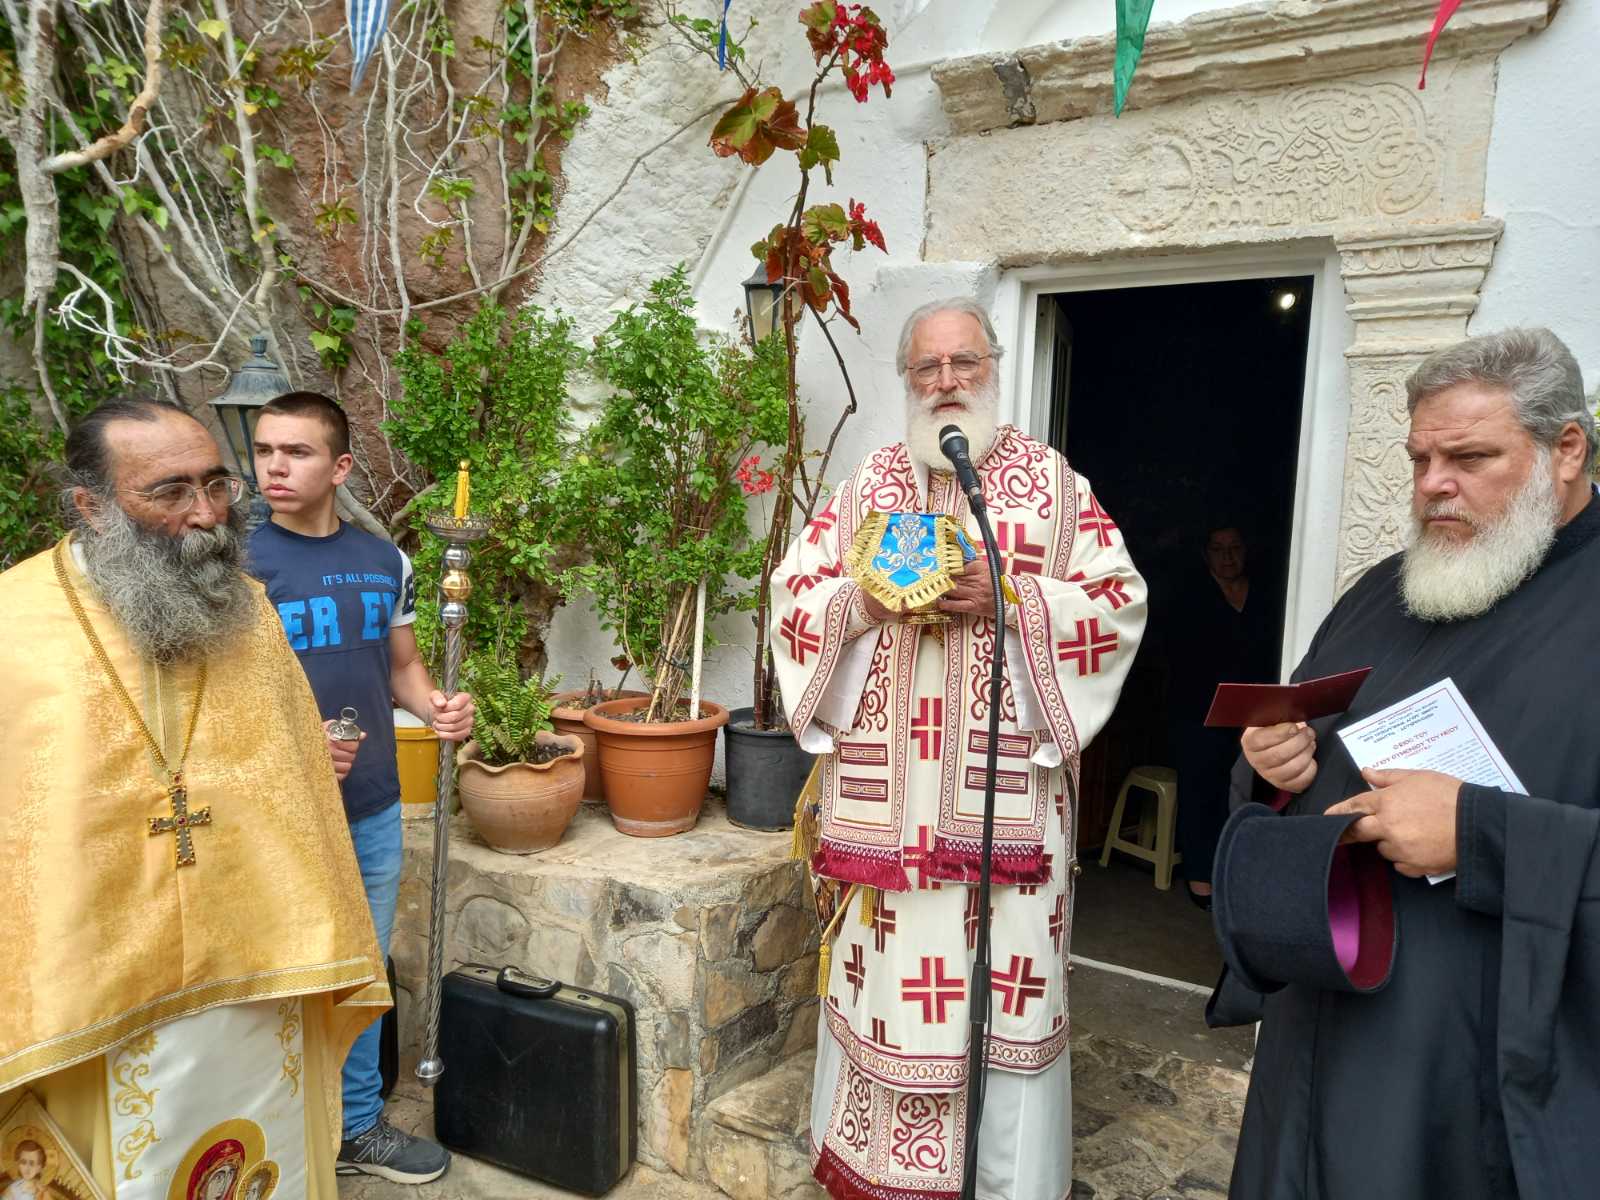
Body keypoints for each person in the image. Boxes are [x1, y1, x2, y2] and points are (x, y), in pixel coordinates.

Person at [772, 298, 1147, 1199]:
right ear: (908, 381)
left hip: (1007, 825)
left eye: (963, 364)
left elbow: (1118, 603)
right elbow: (795, 592)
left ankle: (1002, 1185)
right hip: (889, 827)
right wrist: (864, 605)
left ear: (993, 368)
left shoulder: (1055, 487)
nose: (945, 383)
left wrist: (1012, 599)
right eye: (926, 368)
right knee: (889, 998)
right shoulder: (870, 484)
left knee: (1000, 1012)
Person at [1223, 327, 1600, 1198]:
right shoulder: (1384, 589)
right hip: (1318, 1033)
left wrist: (1481, 833)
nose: (1434, 484)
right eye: (1421, 456)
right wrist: (1274, 763)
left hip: (1468, 1078)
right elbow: (1306, 739)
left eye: (1469, 457)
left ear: (1567, 449)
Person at [0, 397, 386, 1198]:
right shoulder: (14, 626)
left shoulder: (249, 614)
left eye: (217, 485)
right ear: (92, 506)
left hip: (258, 962)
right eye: (170, 492)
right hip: (90, 987)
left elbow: (291, 781)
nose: (206, 515)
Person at [246, 391, 474, 1185]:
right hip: (273, 814)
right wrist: (292, 747)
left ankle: (355, 1128)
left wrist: (437, 708)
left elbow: (404, 667)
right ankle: (273, 1124)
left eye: (297, 452)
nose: (275, 465)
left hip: (372, 803)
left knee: (360, 974)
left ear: (341, 467)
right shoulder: (239, 566)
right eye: (266, 449)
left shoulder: (388, 561)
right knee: (277, 970)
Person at [1165, 524, 1275, 910]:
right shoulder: (1190, 596)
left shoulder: (1267, 594)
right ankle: (1201, 878)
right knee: (1203, 789)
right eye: (1218, 549)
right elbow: (1178, 657)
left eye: (1235, 547)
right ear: (1205, 555)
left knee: (1255, 790)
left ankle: (1243, 873)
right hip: (1200, 711)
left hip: (1257, 711)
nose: (1228, 557)